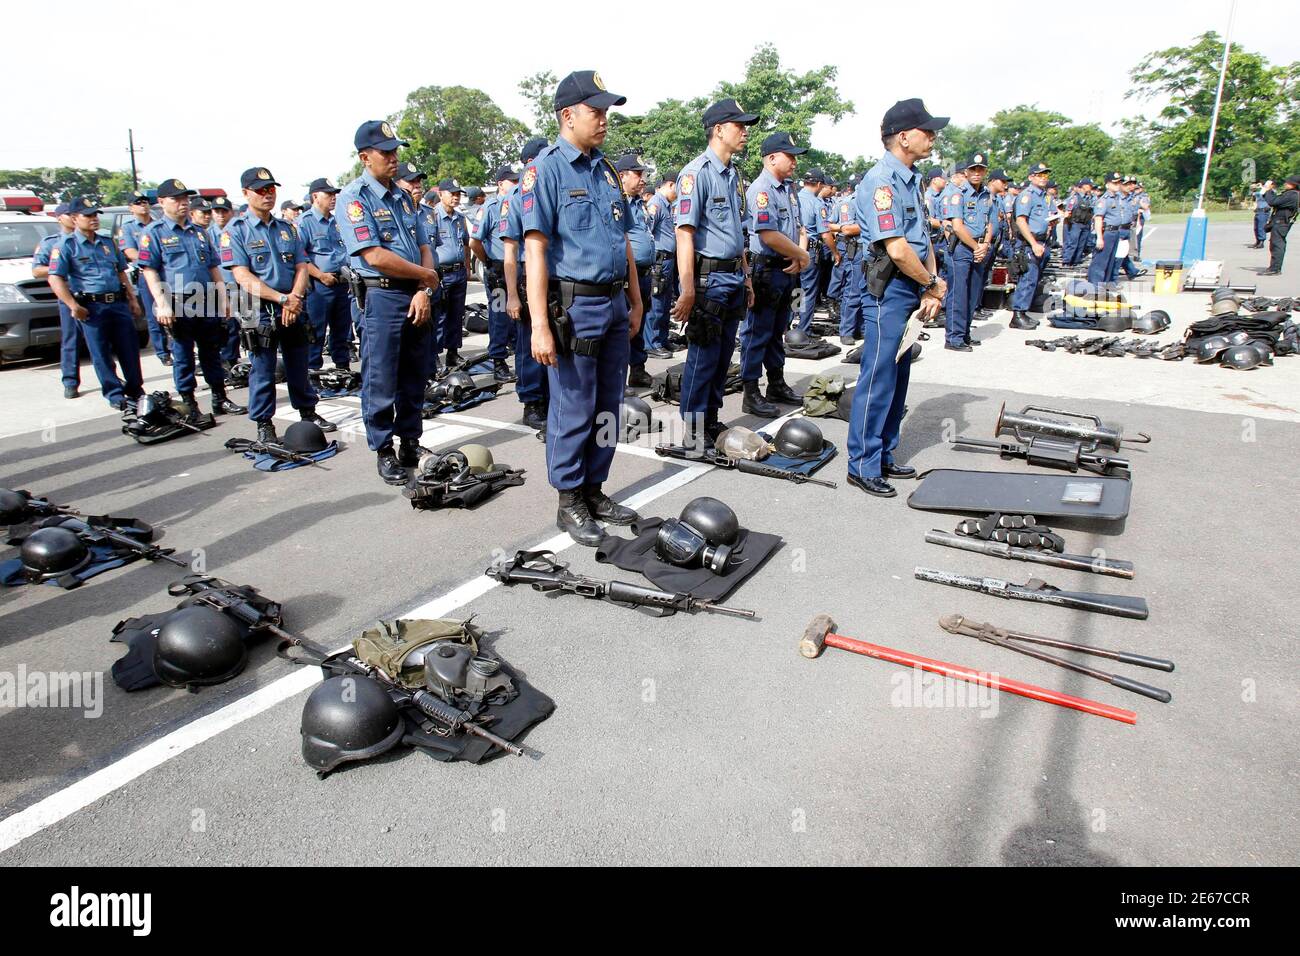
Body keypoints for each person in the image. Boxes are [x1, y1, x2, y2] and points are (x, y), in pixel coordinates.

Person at [521, 69, 643, 546]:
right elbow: (535, 250)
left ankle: (594, 488)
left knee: (608, 404)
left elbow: (625, 241)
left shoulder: (607, 169)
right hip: (575, 306)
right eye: (596, 111)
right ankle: (569, 499)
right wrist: (538, 325)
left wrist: (635, 299)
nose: (604, 119)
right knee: (573, 406)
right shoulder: (546, 170)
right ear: (567, 115)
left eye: (607, 111)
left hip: (613, 303)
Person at [847, 98, 947, 498]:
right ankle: (862, 464)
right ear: (903, 137)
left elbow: (922, 241)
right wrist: (931, 285)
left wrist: (932, 281)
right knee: (879, 375)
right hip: (889, 288)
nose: (933, 137)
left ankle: (884, 453)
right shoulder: (881, 181)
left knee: (900, 372)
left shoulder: (910, 177)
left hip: (912, 285)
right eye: (927, 131)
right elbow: (898, 249)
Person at [336, 121, 441, 483]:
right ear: (365, 157)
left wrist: (424, 289)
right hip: (382, 295)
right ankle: (384, 449)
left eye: (395, 150)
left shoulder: (401, 196)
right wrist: (424, 278)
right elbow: (375, 256)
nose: (393, 158)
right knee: (381, 375)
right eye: (386, 152)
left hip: (415, 294)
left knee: (415, 373)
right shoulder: (353, 199)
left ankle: (410, 440)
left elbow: (425, 246)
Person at [221, 167, 335, 443]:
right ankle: (264, 423)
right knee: (263, 369)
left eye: (271, 189)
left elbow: (301, 266)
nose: (267, 195)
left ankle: (308, 412)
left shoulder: (287, 229)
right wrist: (282, 298)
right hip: (259, 308)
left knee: (298, 363)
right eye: (261, 190)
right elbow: (242, 275)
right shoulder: (235, 231)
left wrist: (294, 297)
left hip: (292, 304)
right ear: (246, 193)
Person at [672, 97, 759, 444]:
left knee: (723, 358)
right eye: (739, 126)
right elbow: (684, 234)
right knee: (703, 358)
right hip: (708, 280)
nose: (745, 133)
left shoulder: (734, 175)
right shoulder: (696, 174)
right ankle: (692, 430)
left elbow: (738, 232)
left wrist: (748, 277)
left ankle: (709, 418)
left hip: (734, 276)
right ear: (719, 130)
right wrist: (688, 289)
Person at [138, 178, 245, 420]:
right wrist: (162, 303)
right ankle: (189, 403)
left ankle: (220, 398)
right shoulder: (154, 233)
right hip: (177, 300)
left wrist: (224, 297)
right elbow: (150, 270)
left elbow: (214, 266)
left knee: (211, 352)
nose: (182, 203)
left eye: (185, 198)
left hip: (205, 298)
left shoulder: (199, 233)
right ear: (162, 202)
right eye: (176, 199)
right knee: (184, 355)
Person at [46, 196, 145, 410]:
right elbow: (55, 278)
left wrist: (132, 298)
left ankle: (136, 390)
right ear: (74, 218)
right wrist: (73, 305)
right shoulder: (66, 245)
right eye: (87, 216)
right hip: (92, 307)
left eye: (95, 215)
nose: (93, 219)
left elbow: (121, 272)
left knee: (129, 348)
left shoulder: (107, 242)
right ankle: (115, 394)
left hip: (117, 304)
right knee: (100, 353)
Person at [739, 131, 810, 415]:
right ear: (771, 158)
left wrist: (798, 255)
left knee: (778, 330)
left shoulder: (788, 189)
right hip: (767, 270)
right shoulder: (762, 190)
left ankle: (776, 383)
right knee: (757, 332)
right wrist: (800, 254)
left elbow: (801, 229)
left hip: (788, 268)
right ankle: (750, 390)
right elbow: (768, 234)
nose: (794, 162)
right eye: (789, 156)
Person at [502, 139, 550, 430]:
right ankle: (532, 402)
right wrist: (511, 296)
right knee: (529, 344)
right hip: (526, 276)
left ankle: (550, 398)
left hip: (553, 276)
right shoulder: (517, 197)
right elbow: (510, 251)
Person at [468, 167, 521, 383]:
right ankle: (498, 362)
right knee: (499, 318)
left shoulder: (518, 204)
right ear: (501, 184)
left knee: (519, 320)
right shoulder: (490, 207)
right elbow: (475, 242)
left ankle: (521, 362)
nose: (516, 185)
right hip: (498, 270)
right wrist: (488, 263)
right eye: (512, 182)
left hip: (518, 269)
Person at [297, 177, 354, 372]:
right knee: (316, 331)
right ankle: (313, 372)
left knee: (342, 329)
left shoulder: (338, 220)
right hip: (320, 285)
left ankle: (342, 368)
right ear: (315, 196)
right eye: (328, 194)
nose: (333, 198)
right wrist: (321, 276)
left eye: (334, 194)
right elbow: (301, 258)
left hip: (342, 282)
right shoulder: (305, 222)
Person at [942, 153, 994, 351]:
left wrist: (985, 244)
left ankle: (965, 333)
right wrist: (976, 247)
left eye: (980, 169)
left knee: (973, 295)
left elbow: (990, 223)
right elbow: (957, 226)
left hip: (980, 247)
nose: (977, 173)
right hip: (962, 249)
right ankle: (954, 338)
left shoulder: (986, 195)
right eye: (973, 169)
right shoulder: (957, 194)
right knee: (959, 294)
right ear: (966, 172)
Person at [32, 203, 83, 398]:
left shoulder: (94, 238)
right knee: (72, 340)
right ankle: (70, 381)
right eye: (69, 215)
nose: (74, 217)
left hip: (97, 295)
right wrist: (63, 264)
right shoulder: (50, 242)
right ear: (59, 218)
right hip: (70, 296)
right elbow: (37, 270)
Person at [616, 153, 655, 388]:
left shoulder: (640, 203)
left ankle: (637, 369)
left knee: (638, 323)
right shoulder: (618, 201)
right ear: (622, 176)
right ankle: (618, 376)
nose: (643, 180)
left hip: (643, 273)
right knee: (622, 325)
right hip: (625, 275)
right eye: (638, 174)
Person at [118, 191, 170, 365]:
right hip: (146, 274)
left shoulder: (159, 226)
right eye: (138, 202)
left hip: (166, 274)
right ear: (131, 207)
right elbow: (130, 252)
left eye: (145, 202)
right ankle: (163, 352)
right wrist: (151, 259)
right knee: (154, 314)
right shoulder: (128, 228)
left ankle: (175, 346)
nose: (143, 205)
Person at [430, 178, 472, 373]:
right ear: (441, 194)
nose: (455, 197)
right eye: (452, 193)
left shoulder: (459, 218)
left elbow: (465, 243)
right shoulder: (432, 216)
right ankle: (435, 358)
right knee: (439, 317)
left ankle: (453, 353)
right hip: (441, 274)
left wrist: (467, 266)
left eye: (458, 194)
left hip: (458, 272)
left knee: (456, 315)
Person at [1008, 161, 1052, 329]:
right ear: (1031, 177)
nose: (1043, 178)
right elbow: (1021, 220)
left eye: (1045, 175)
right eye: (1039, 175)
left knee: (1034, 278)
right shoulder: (1027, 195)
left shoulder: (1044, 196)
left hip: (1041, 240)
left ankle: (1024, 311)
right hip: (1029, 242)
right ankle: (1018, 314)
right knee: (1028, 278)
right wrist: (1033, 243)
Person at [643, 169, 678, 354]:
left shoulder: (666, 205)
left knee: (665, 304)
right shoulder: (656, 204)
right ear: (671, 184)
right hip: (659, 261)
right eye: (677, 188)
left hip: (668, 261)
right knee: (656, 303)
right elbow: (648, 231)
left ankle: (662, 339)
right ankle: (652, 342)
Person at [207, 195, 241, 367]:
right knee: (229, 326)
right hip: (222, 286)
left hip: (243, 285)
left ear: (231, 212)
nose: (220, 215)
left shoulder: (238, 229)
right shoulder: (206, 235)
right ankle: (230, 360)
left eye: (224, 211)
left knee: (252, 324)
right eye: (217, 211)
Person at [795, 168, 828, 334]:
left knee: (797, 289)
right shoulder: (817, 203)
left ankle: (790, 326)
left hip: (793, 249)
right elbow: (825, 233)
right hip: (810, 252)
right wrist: (835, 252)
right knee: (808, 291)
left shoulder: (794, 198)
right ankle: (803, 330)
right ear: (820, 184)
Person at [1087, 171, 1129, 287]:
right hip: (1107, 232)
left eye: (1119, 182)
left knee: (1110, 262)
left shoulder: (1117, 198)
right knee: (1100, 262)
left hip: (1115, 232)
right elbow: (1098, 219)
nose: (1117, 185)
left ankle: (1104, 286)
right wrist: (1100, 238)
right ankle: (1095, 286)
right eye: (1114, 183)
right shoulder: (1104, 200)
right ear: (1108, 184)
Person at [1259, 174, 1299, 275]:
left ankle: (1275, 269)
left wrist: (1268, 190)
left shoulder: (1292, 195)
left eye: (1288, 182)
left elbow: (1273, 201)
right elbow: (1275, 200)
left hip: (1282, 223)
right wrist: (1269, 191)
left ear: (1294, 184)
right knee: (1276, 244)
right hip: (1281, 222)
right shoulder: (1291, 193)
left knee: (1277, 245)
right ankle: (1274, 267)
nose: (1285, 183)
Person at [1250, 183, 1270, 248]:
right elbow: (1253, 195)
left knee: (1261, 227)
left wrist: (1261, 187)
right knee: (1256, 228)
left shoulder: (1265, 192)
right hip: (1258, 211)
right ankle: (1258, 241)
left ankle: (1261, 242)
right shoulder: (1256, 193)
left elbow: (1263, 192)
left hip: (1263, 211)